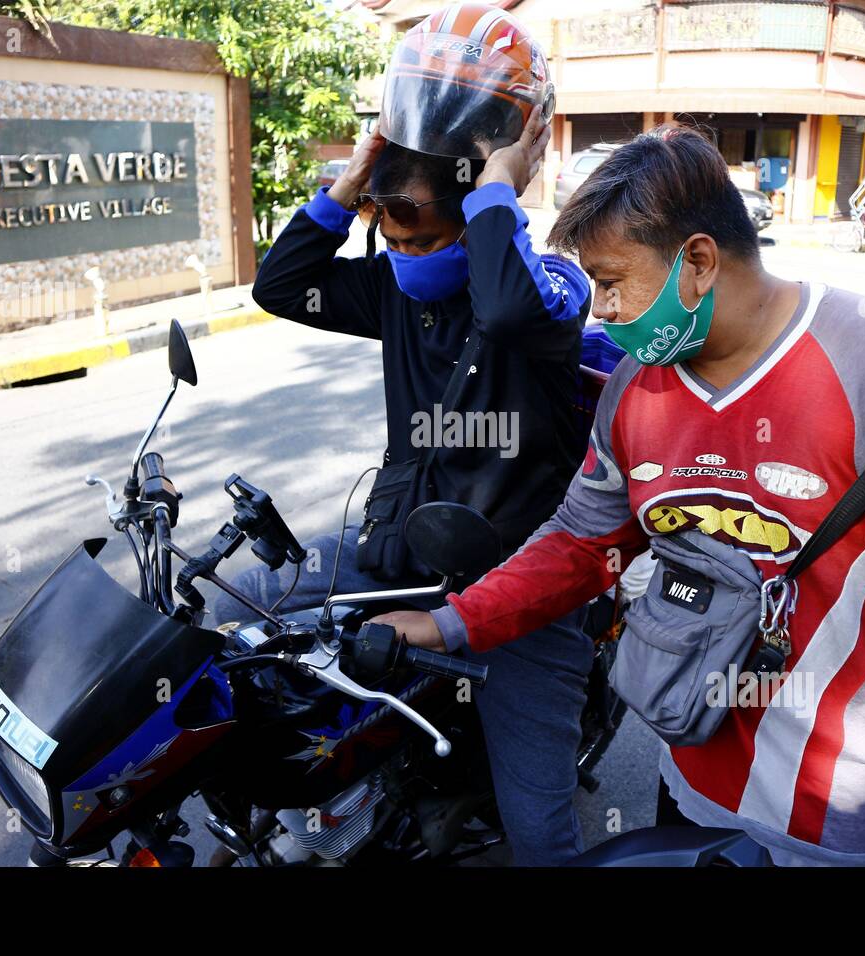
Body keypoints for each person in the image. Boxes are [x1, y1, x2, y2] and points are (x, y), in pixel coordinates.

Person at [375, 126, 865, 867]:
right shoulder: (634, 391)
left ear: (696, 262)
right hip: (691, 784)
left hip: (845, 815)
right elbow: (580, 543)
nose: (600, 311)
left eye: (611, 280)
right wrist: (452, 623)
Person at [215, 7, 596, 866]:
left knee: (542, 834)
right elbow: (281, 286)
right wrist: (351, 180)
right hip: (402, 548)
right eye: (387, 225)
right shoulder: (396, 291)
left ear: (474, 215)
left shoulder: (552, 292)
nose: (398, 243)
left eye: (418, 228)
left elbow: (501, 307)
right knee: (245, 621)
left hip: (522, 586)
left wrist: (503, 177)